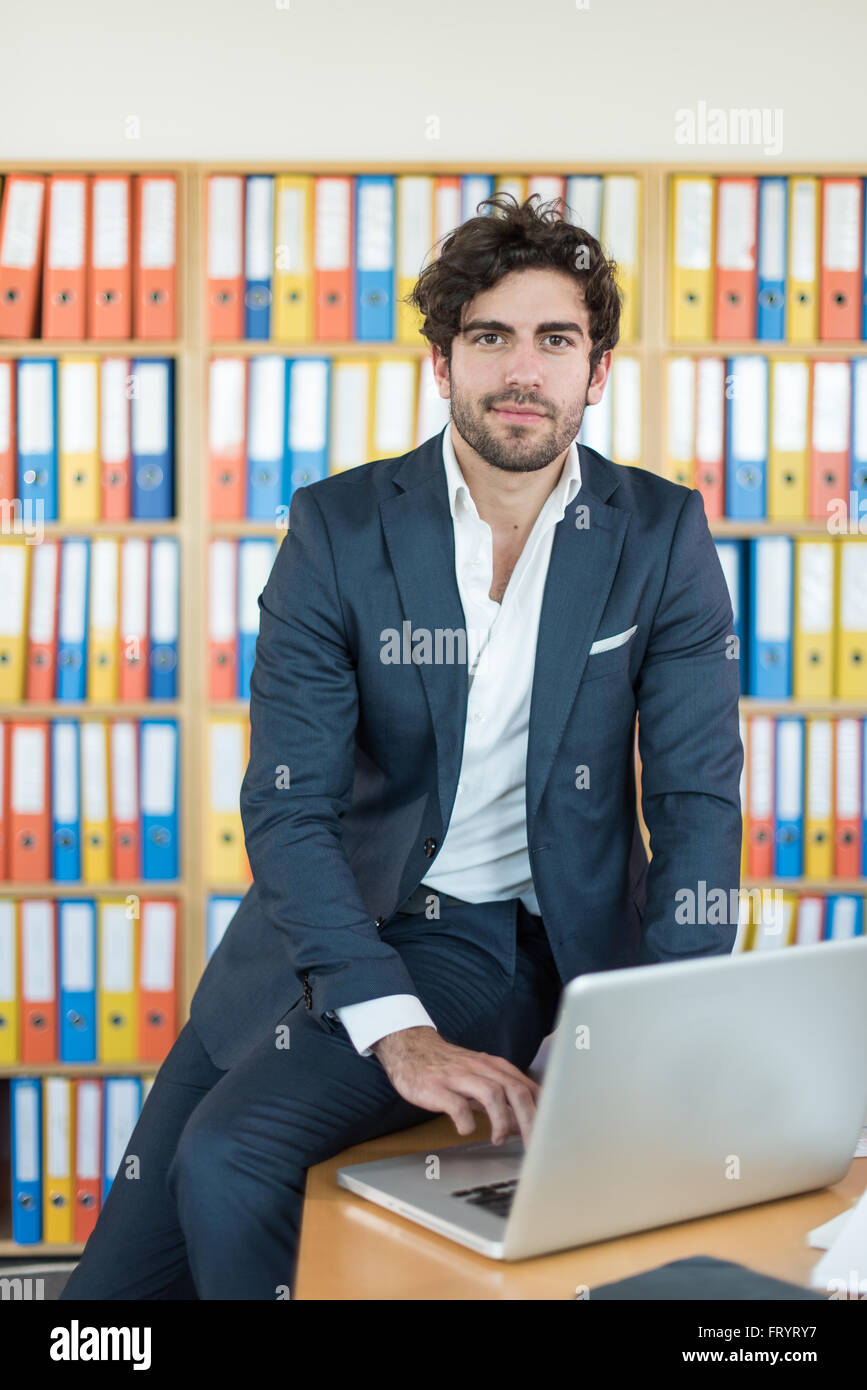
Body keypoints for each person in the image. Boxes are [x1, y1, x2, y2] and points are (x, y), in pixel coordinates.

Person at [60, 192, 742, 1301]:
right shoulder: (339, 528)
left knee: (234, 1156)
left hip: (510, 942)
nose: (523, 368)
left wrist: (653, 1030)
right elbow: (291, 804)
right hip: (321, 935)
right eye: (490, 337)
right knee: (101, 1310)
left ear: (597, 371)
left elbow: (699, 795)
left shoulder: (659, 534)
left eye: (555, 340)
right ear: (442, 362)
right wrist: (392, 1027)